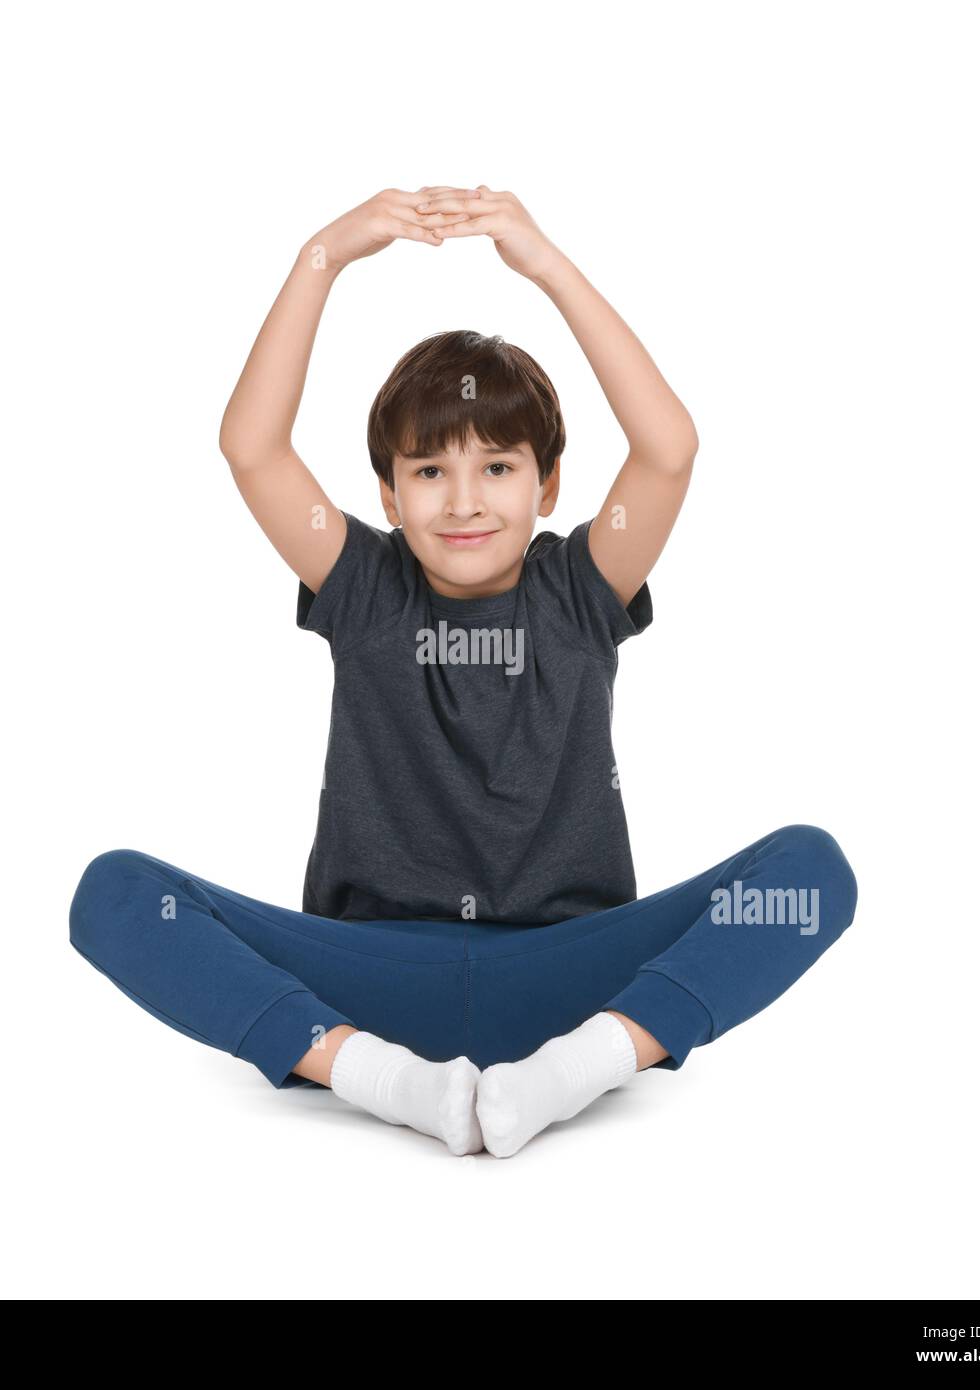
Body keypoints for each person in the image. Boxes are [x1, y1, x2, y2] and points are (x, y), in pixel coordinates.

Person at [69, 185, 858, 1158]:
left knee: (812, 870)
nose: (463, 500)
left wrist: (546, 264)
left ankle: (583, 1069)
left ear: (547, 485)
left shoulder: (581, 586)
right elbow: (252, 447)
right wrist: (326, 252)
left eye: (496, 467)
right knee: (113, 891)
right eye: (429, 471)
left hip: (571, 978)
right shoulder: (361, 585)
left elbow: (669, 448)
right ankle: (383, 1081)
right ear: (390, 496)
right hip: (370, 978)